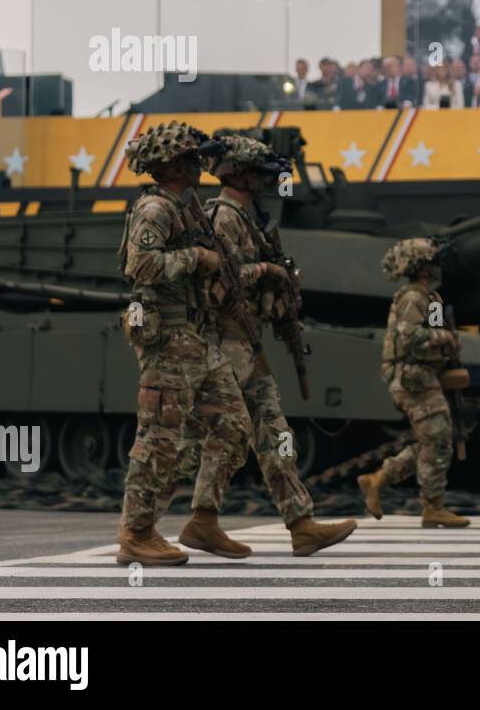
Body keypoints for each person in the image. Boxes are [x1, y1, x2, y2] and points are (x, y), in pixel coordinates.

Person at [198, 135, 358, 556]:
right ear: (238, 174)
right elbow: (221, 276)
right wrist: (267, 270)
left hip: (246, 341)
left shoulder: (248, 217)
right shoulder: (222, 216)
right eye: (257, 173)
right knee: (231, 434)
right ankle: (203, 519)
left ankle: (300, 524)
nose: (264, 181)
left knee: (272, 431)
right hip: (226, 341)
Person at [114, 121, 253, 565]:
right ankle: (137, 533)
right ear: (173, 164)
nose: (200, 165)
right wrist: (197, 258)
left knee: (233, 426)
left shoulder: (186, 205)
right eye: (192, 158)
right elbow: (141, 266)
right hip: (168, 338)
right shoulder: (156, 208)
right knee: (160, 435)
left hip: (197, 338)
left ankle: (204, 520)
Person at [357, 238, 470, 528]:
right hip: (412, 379)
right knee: (439, 437)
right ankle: (432, 507)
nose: (436, 266)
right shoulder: (412, 297)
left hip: (424, 377)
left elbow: (427, 333)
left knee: (434, 440)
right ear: (422, 266)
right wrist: (446, 339)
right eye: (432, 261)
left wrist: (446, 345)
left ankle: (378, 480)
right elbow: (411, 336)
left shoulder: (428, 297)